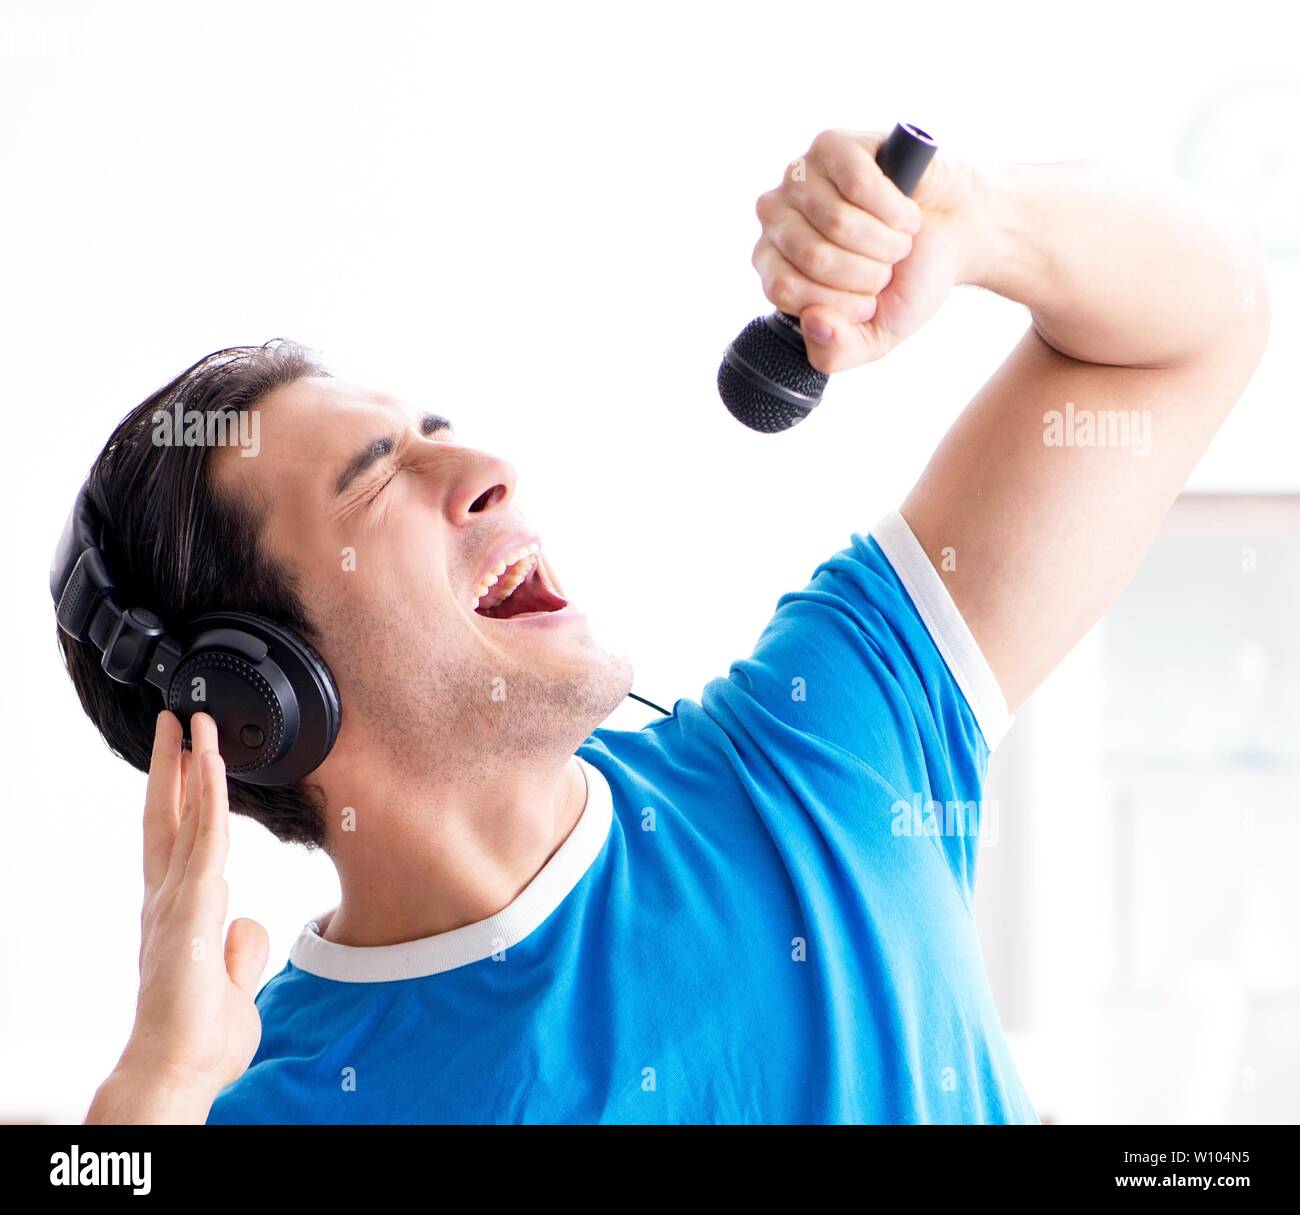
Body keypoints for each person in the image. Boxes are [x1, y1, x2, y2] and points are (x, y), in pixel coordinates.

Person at [76, 127, 1268, 1124]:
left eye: (442, 424)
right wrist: (154, 1089)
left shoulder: (822, 744)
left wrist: (984, 226)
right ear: (261, 697)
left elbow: (1191, 330)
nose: (490, 463)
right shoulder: (265, 1100)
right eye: (381, 476)